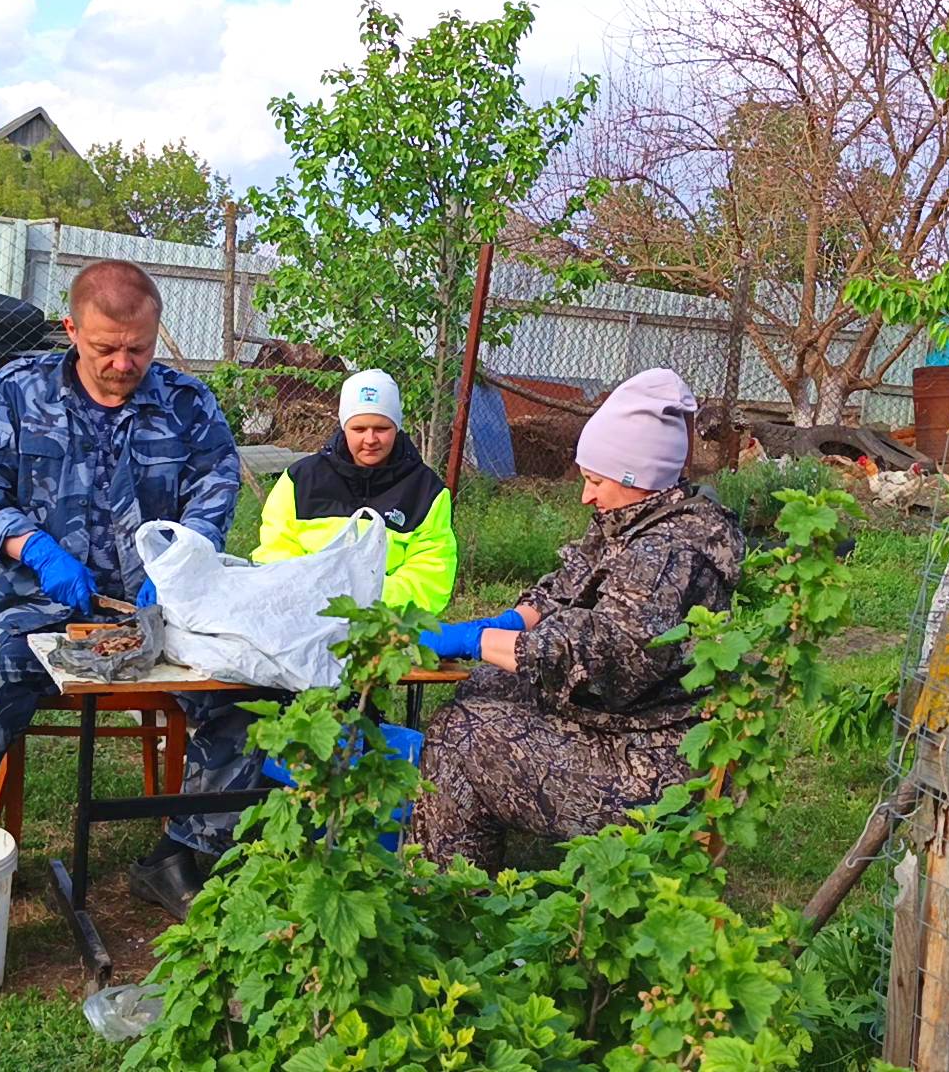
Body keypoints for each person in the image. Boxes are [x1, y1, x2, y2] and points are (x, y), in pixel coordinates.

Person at [0, 259, 248, 918]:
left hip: (163, 617)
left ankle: (183, 853)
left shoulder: (187, 404)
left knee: (246, 700)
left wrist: (179, 566)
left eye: (139, 348)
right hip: (41, 613)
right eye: (105, 348)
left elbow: (217, 485)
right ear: (71, 329)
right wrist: (35, 549)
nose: (124, 364)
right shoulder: (18, 392)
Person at [406, 368, 744, 870]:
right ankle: (470, 846)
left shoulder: (666, 554)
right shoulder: (634, 520)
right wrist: (510, 621)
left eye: (595, 480)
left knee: (461, 736)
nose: (586, 495)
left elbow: (603, 654)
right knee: (485, 687)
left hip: (655, 763)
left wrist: (479, 640)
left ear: (637, 477)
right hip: (628, 722)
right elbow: (566, 584)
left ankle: (451, 901)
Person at [253, 369, 456, 614]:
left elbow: (431, 572)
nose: (370, 439)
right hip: (305, 614)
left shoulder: (425, 491)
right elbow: (276, 549)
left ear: (398, 427)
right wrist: (312, 593)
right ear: (343, 427)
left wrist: (367, 596)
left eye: (381, 428)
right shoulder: (300, 480)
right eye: (359, 429)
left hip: (387, 623)